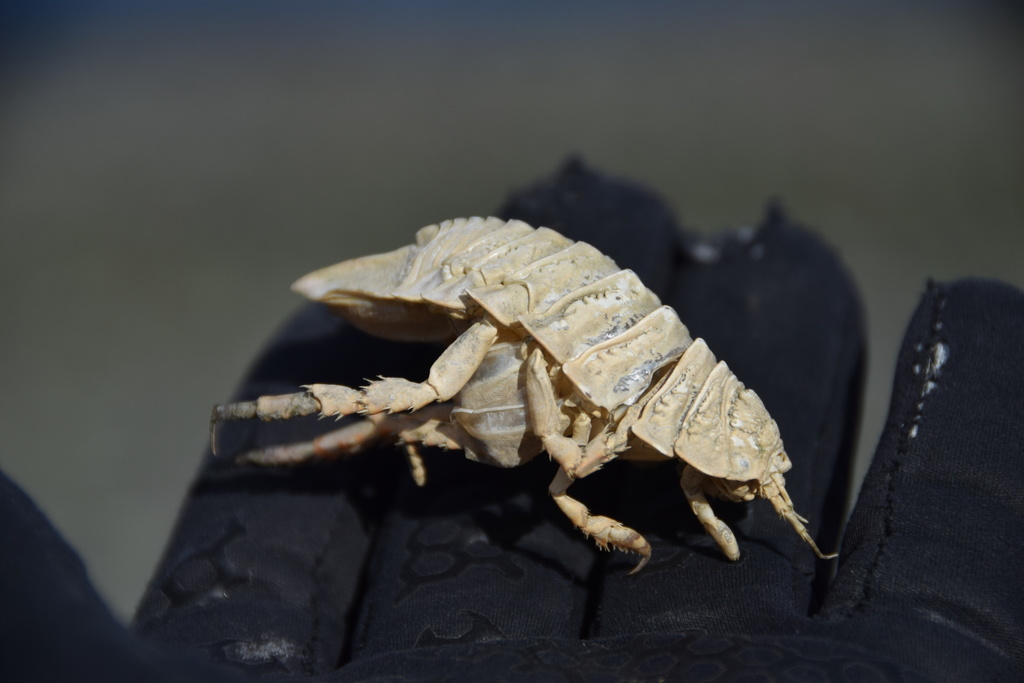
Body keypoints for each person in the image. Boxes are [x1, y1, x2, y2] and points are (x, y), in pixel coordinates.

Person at [3, 161, 1021, 681]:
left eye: (740, 492)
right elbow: (574, 455)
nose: (737, 502)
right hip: (507, 290)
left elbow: (616, 454)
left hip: (555, 323)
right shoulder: (633, 406)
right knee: (429, 405)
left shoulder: (684, 413)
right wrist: (580, 496)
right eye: (741, 483)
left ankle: (340, 424)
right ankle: (290, 418)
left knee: (471, 419)